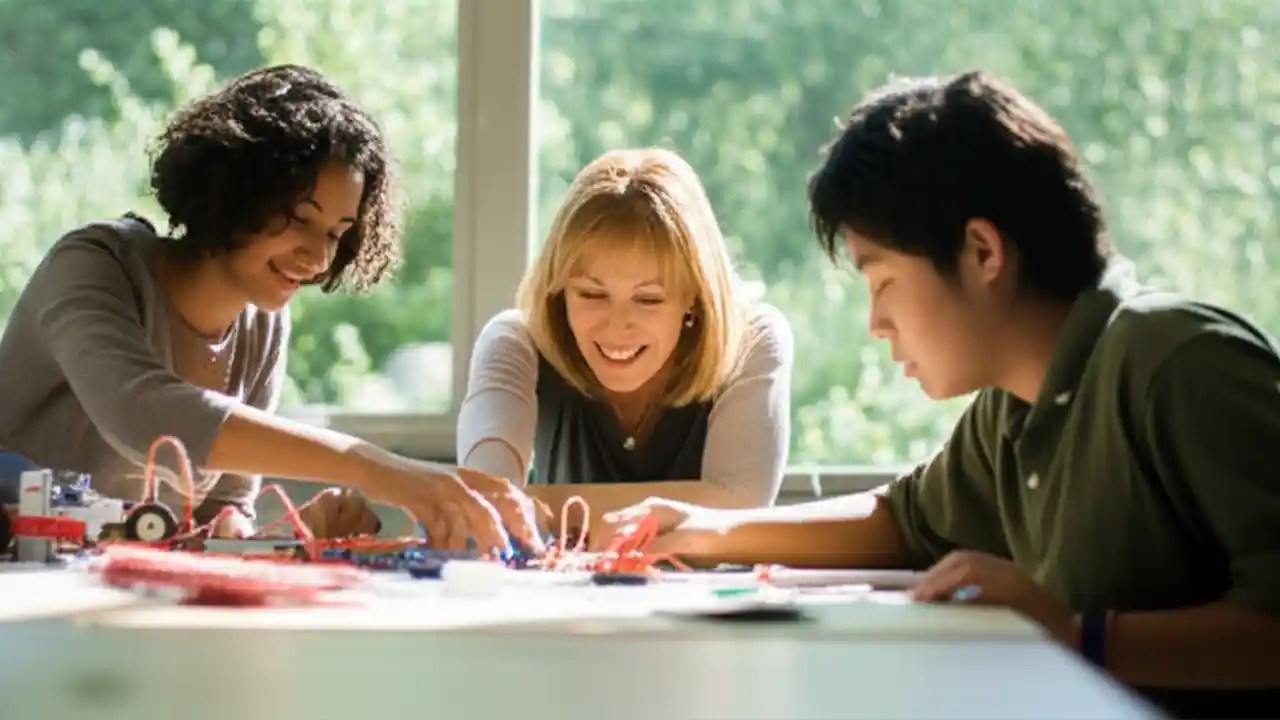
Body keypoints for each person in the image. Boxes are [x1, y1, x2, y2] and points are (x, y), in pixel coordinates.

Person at [605, 72, 1280, 716]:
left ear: (983, 252)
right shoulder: (1014, 406)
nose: (876, 323)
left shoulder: (1176, 363)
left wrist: (1079, 636)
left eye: (882, 282)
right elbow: (905, 523)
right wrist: (703, 530)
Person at [0, 64, 540, 554]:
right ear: (236, 192)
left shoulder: (263, 322)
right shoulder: (93, 265)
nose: (321, 255)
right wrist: (382, 469)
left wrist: (289, 536)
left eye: (337, 232)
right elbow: (146, 420)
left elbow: (212, 528)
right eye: (300, 219)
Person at [457, 148, 794, 534]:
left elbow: (739, 507)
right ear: (559, 292)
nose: (617, 326)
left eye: (648, 299)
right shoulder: (516, 340)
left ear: (694, 298)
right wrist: (694, 504)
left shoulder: (752, 339)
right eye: (591, 294)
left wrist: (534, 504)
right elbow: (483, 504)